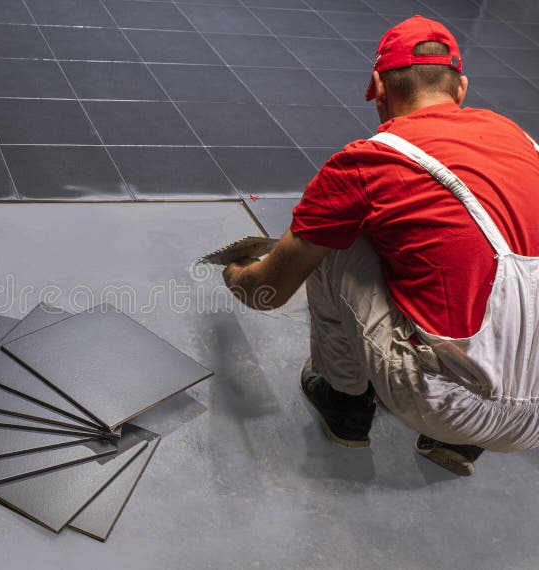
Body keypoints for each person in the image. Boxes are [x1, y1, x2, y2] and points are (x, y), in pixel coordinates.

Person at [222, 15, 539, 476]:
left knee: (337, 243)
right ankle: (456, 443)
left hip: (453, 404)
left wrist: (237, 274)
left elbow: (267, 291)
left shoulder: (368, 162)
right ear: (462, 88)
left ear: (379, 87)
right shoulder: (526, 145)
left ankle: (345, 403)